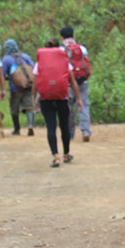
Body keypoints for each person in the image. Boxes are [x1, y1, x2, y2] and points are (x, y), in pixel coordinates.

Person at [34, 38, 83, 168]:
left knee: (51, 127)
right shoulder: (64, 61)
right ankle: (66, 154)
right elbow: (72, 82)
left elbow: (35, 84)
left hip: (46, 98)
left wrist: (35, 100)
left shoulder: (39, 63)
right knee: (64, 126)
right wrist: (79, 98)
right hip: (62, 98)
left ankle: (56, 157)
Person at [60, 26, 92, 143]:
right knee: (84, 105)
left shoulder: (61, 50)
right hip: (82, 81)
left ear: (62, 37)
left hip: (67, 83)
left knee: (68, 108)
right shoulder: (82, 48)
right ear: (74, 36)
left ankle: (70, 134)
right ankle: (85, 131)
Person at [1, 39, 36, 136]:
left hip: (15, 87)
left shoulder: (6, 59)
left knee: (14, 108)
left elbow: (2, 74)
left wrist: (8, 78)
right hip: (28, 85)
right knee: (29, 106)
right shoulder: (25, 56)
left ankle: (17, 129)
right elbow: (33, 68)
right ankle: (30, 125)